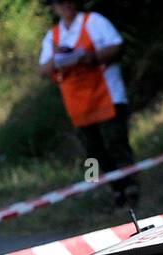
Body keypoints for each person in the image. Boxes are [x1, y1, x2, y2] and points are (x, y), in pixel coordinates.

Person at [39, 0, 139, 209]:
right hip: (78, 106)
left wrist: (88, 57)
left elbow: (117, 45)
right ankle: (108, 189)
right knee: (92, 153)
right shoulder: (53, 36)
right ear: (54, 7)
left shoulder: (94, 21)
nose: (65, 5)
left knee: (116, 142)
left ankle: (131, 186)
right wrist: (58, 59)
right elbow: (43, 69)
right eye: (59, 2)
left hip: (107, 96)